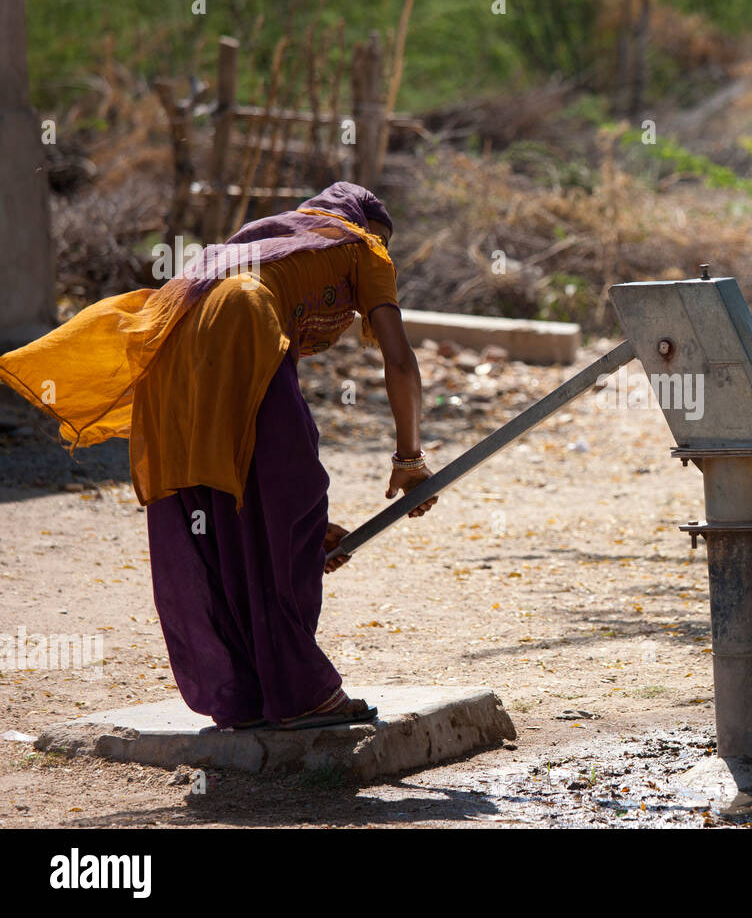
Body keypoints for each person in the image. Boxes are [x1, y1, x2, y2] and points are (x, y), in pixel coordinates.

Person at [0, 182, 434, 730]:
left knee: (219, 499)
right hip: (240, 322)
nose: (381, 253)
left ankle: (247, 693)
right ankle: (299, 694)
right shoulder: (359, 244)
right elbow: (399, 360)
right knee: (295, 487)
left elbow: (256, 474)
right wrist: (410, 456)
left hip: (173, 347)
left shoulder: (265, 240)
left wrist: (302, 526)